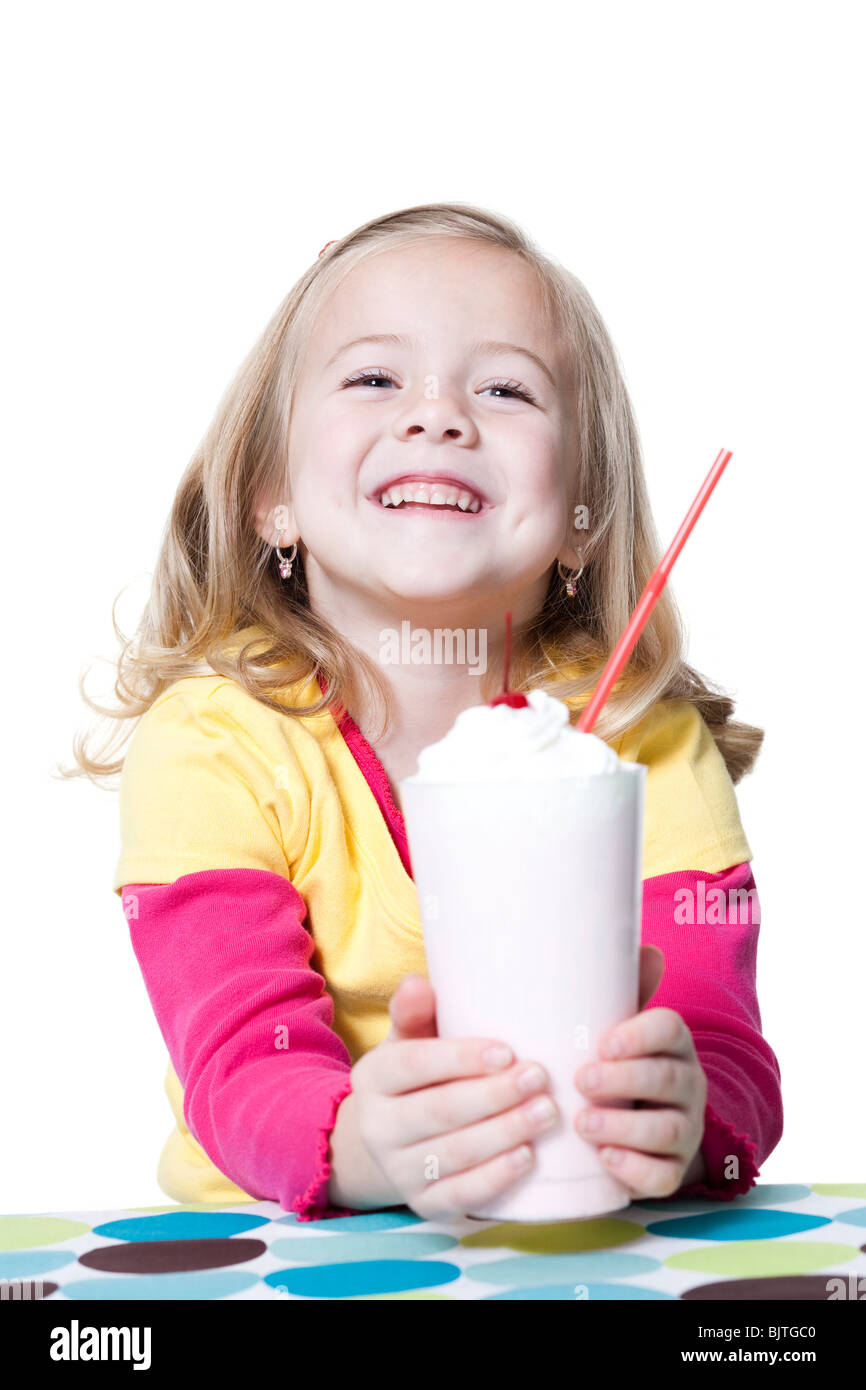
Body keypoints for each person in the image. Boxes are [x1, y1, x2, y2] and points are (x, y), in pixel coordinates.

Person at [64, 201, 782, 1222]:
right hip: (279, 1243)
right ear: (271, 493)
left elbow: (722, 1046)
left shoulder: (640, 737)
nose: (437, 415)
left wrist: (688, 1118)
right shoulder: (212, 743)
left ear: (581, 514)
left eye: (503, 387)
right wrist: (365, 1144)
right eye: (372, 378)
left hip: (583, 1244)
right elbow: (236, 1051)